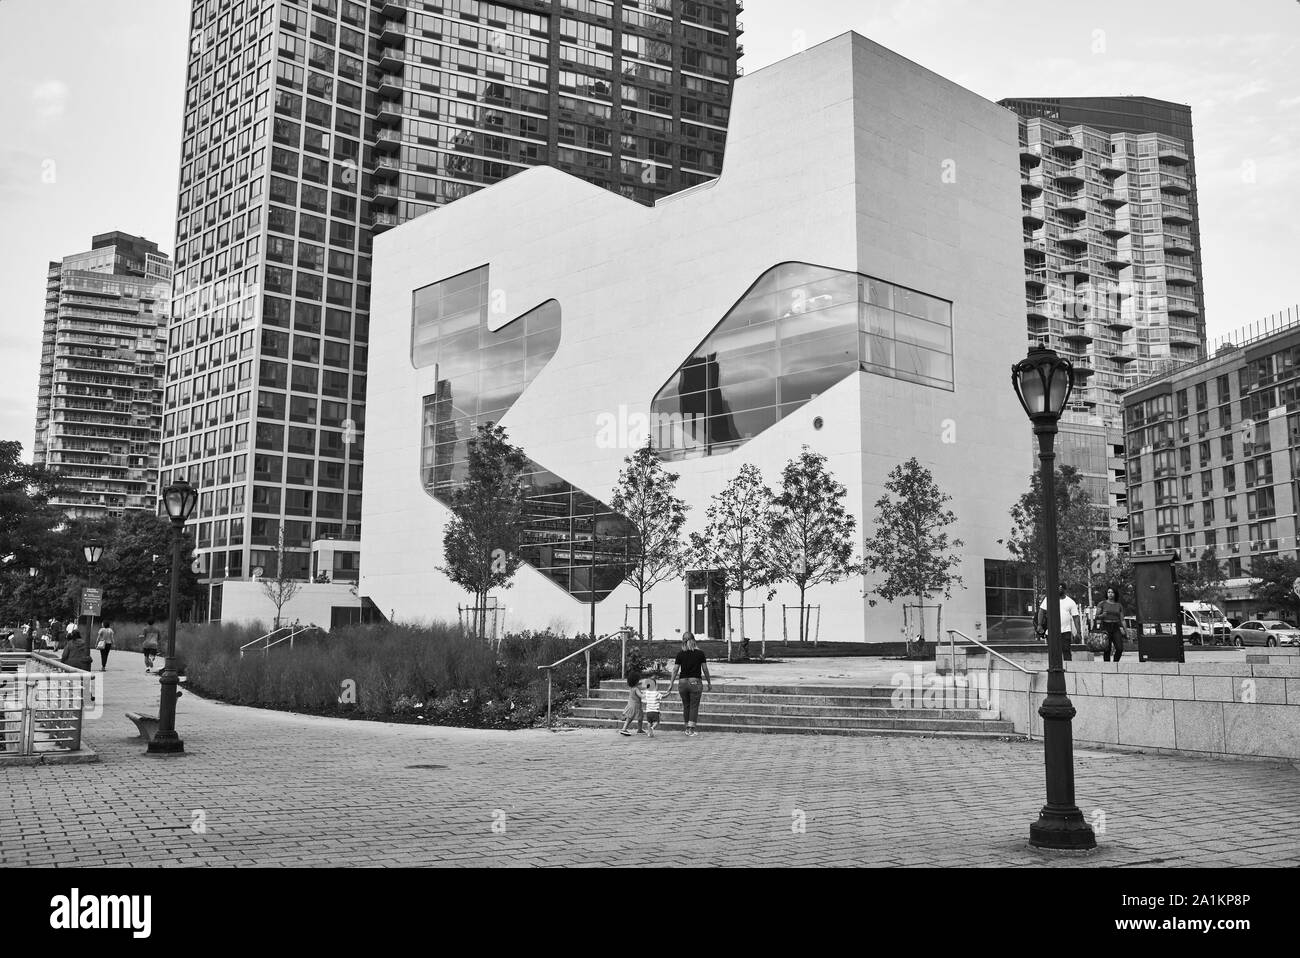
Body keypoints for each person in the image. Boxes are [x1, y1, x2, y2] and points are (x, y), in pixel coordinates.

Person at [668, 632, 712, 736]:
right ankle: (691, 729)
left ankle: (687, 728)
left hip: (682, 683)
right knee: (694, 706)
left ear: (683, 641)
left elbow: (675, 670)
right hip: (695, 682)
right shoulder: (700, 653)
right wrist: (709, 682)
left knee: (686, 706)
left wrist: (671, 683)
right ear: (694, 640)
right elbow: (705, 669)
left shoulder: (680, 654)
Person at [1039, 585, 1081, 662]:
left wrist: (1078, 632)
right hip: (1051, 631)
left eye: (1061, 588)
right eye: (1057, 588)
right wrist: (1039, 625)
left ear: (1065, 590)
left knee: (1066, 650)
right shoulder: (1048, 599)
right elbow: (1041, 611)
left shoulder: (1070, 602)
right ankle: (1054, 666)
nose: (1059, 590)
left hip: (1065, 631)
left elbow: (1076, 617)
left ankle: (1068, 666)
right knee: (1053, 652)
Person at [1096, 587, 1125, 662]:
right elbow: (1096, 617)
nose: (1110, 594)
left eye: (1112, 592)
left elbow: (1122, 619)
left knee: (1120, 648)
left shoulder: (1119, 605)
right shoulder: (1102, 604)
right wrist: (1102, 615)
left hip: (1115, 627)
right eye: (1109, 592)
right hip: (1105, 626)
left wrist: (1126, 631)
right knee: (1107, 649)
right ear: (1106, 594)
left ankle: (1115, 663)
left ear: (1115, 594)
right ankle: (1107, 666)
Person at [618, 670, 644, 737]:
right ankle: (624, 729)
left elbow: (640, 684)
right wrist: (646, 695)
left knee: (640, 717)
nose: (639, 681)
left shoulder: (631, 687)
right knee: (630, 718)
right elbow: (640, 695)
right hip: (634, 706)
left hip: (633, 705)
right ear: (636, 681)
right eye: (638, 680)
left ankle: (640, 729)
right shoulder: (636, 689)